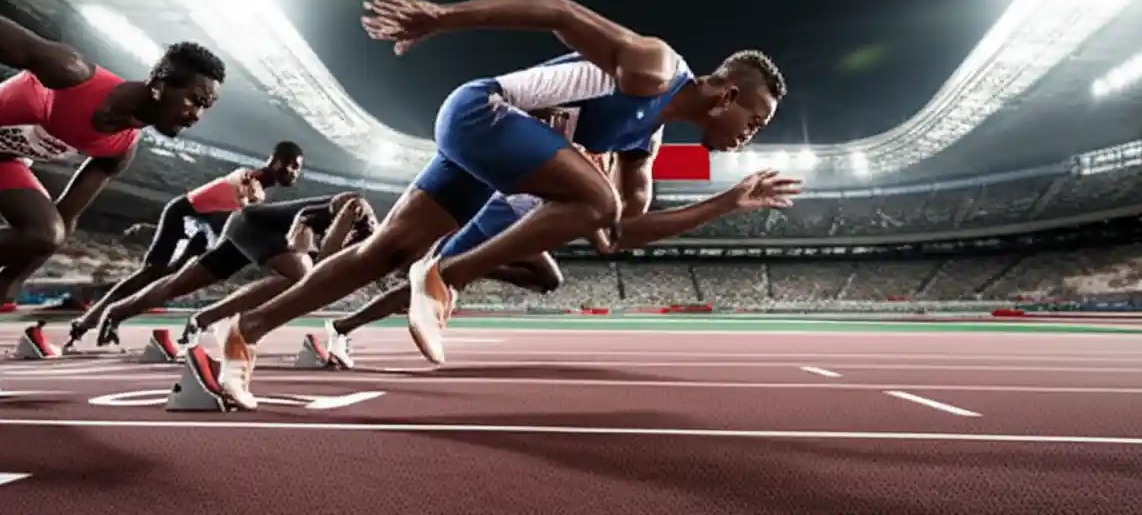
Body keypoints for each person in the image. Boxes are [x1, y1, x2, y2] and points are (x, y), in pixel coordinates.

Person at [213, 0, 790, 399]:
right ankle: (441, 279)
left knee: (383, 253)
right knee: (594, 199)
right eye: (756, 120)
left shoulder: (645, 141)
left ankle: (241, 335)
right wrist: (443, 19)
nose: (749, 135)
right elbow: (562, 14)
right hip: (482, 111)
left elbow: (616, 235)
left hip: (488, 154)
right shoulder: (656, 68)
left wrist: (726, 203)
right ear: (729, 94)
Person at [321, 165, 798, 370]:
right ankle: (342, 327)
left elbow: (607, 229)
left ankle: (463, 269)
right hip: (504, 208)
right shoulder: (600, 137)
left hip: (530, 220)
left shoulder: (616, 168)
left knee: (548, 279)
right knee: (435, 278)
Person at [0, 4, 225, 347]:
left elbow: (66, 218)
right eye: (195, 100)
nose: (197, 115)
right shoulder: (71, 73)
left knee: (47, 233)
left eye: (206, 107)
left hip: (2, 163)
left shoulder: (120, 148)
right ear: (160, 84)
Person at [63, 141, 305, 351]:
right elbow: (225, 221)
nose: (295, 173)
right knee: (153, 274)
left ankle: (106, 317)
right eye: (293, 166)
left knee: (173, 281)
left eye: (298, 169)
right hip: (187, 215)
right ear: (276, 162)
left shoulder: (257, 191)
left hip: (202, 223)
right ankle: (90, 320)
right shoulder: (249, 182)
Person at [93, 193, 376, 350]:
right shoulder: (355, 206)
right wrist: (318, 255)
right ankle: (208, 318)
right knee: (301, 276)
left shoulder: (360, 237)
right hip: (254, 225)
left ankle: (116, 313)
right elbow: (309, 227)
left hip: (254, 231)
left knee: (179, 285)